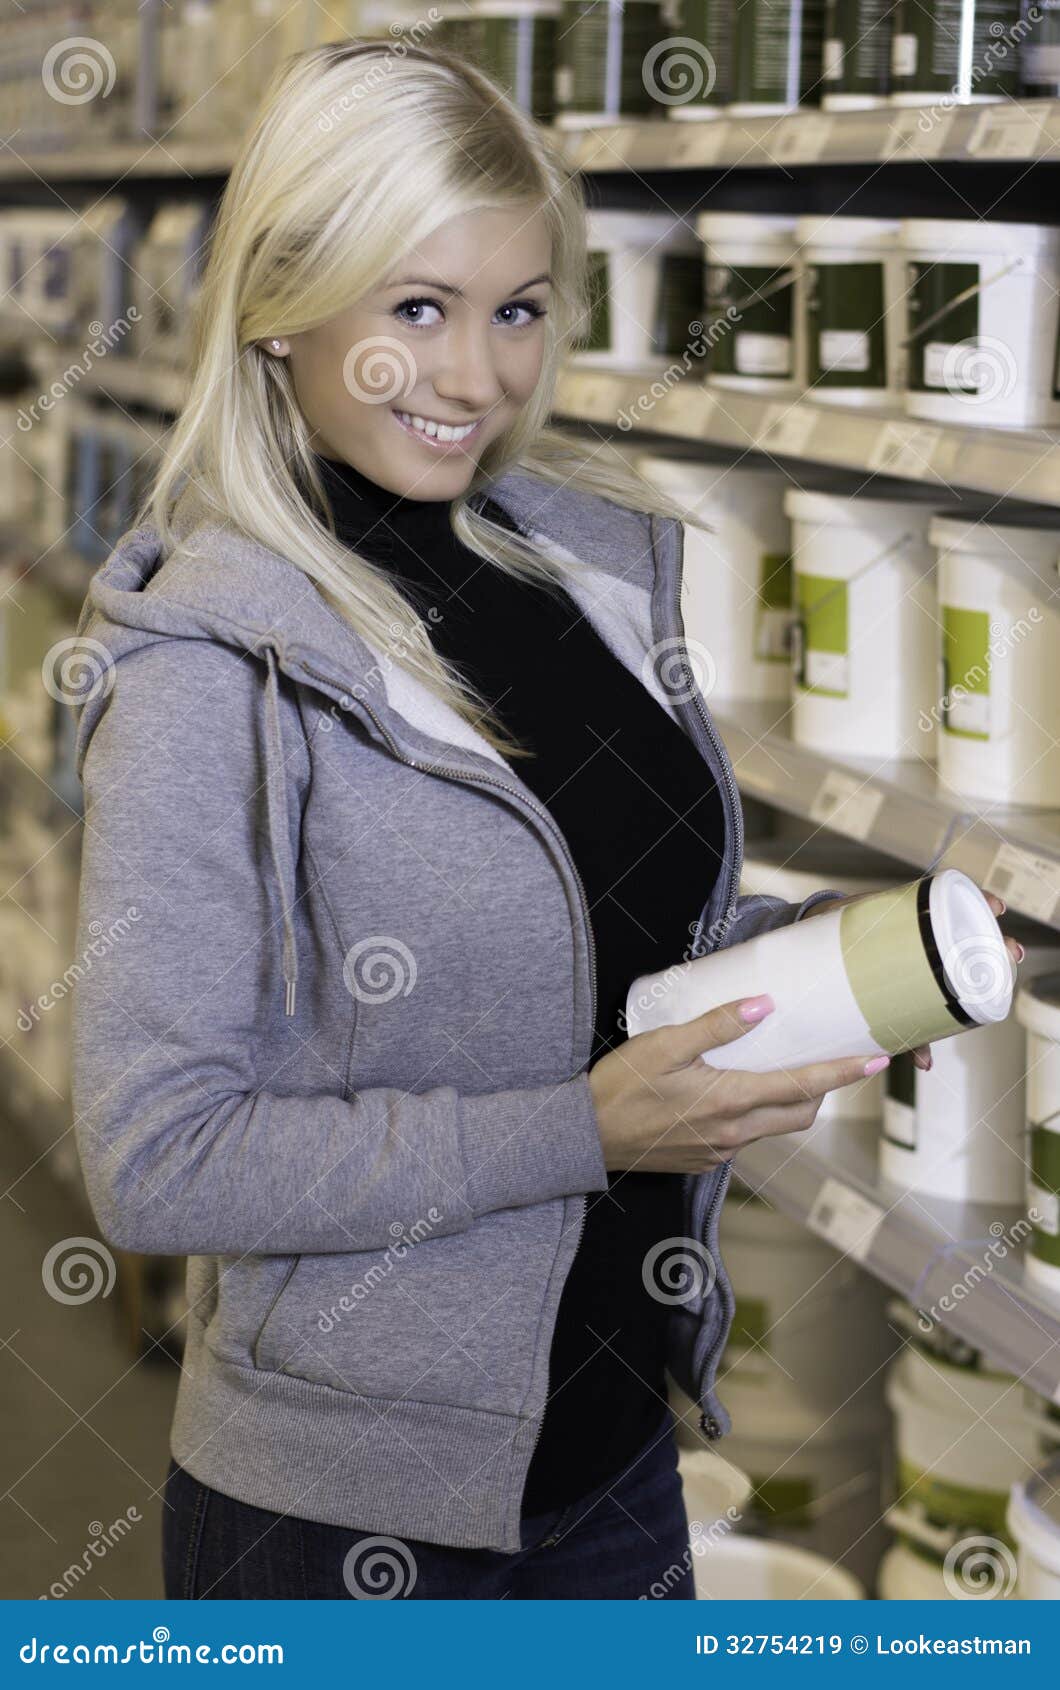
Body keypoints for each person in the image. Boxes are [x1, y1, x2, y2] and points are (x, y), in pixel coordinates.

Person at [68, 39, 1021, 1600]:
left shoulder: (567, 574)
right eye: (415, 309)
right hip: (352, 1527)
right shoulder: (210, 666)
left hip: (619, 1459)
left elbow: (615, 934)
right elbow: (160, 1157)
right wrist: (585, 1127)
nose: (476, 378)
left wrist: (850, 955)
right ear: (282, 303)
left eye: (516, 310)